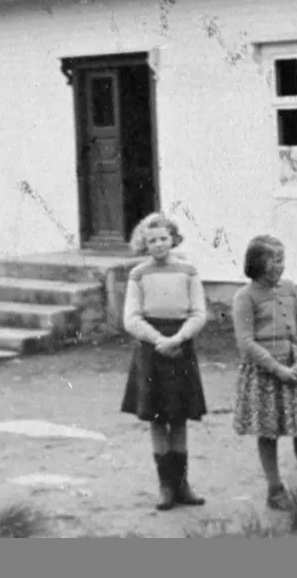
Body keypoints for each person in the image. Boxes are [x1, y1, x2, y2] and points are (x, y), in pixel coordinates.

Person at [120, 212, 209, 511]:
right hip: (151, 349)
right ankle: (166, 486)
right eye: (152, 241)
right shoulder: (138, 274)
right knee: (158, 419)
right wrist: (158, 340)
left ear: (173, 238)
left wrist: (178, 338)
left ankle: (183, 484)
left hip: (181, 346)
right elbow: (131, 318)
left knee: (180, 418)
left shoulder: (188, 271)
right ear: (143, 244)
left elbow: (198, 312)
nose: (158, 244)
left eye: (163, 238)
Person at [232, 236, 297, 510]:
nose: (282, 265)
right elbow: (246, 342)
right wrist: (277, 368)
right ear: (259, 263)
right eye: (276, 260)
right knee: (268, 431)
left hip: (293, 368)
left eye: (283, 259)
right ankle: (275, 488)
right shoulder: (245, 296)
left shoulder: (290, 288)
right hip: (265, 372)